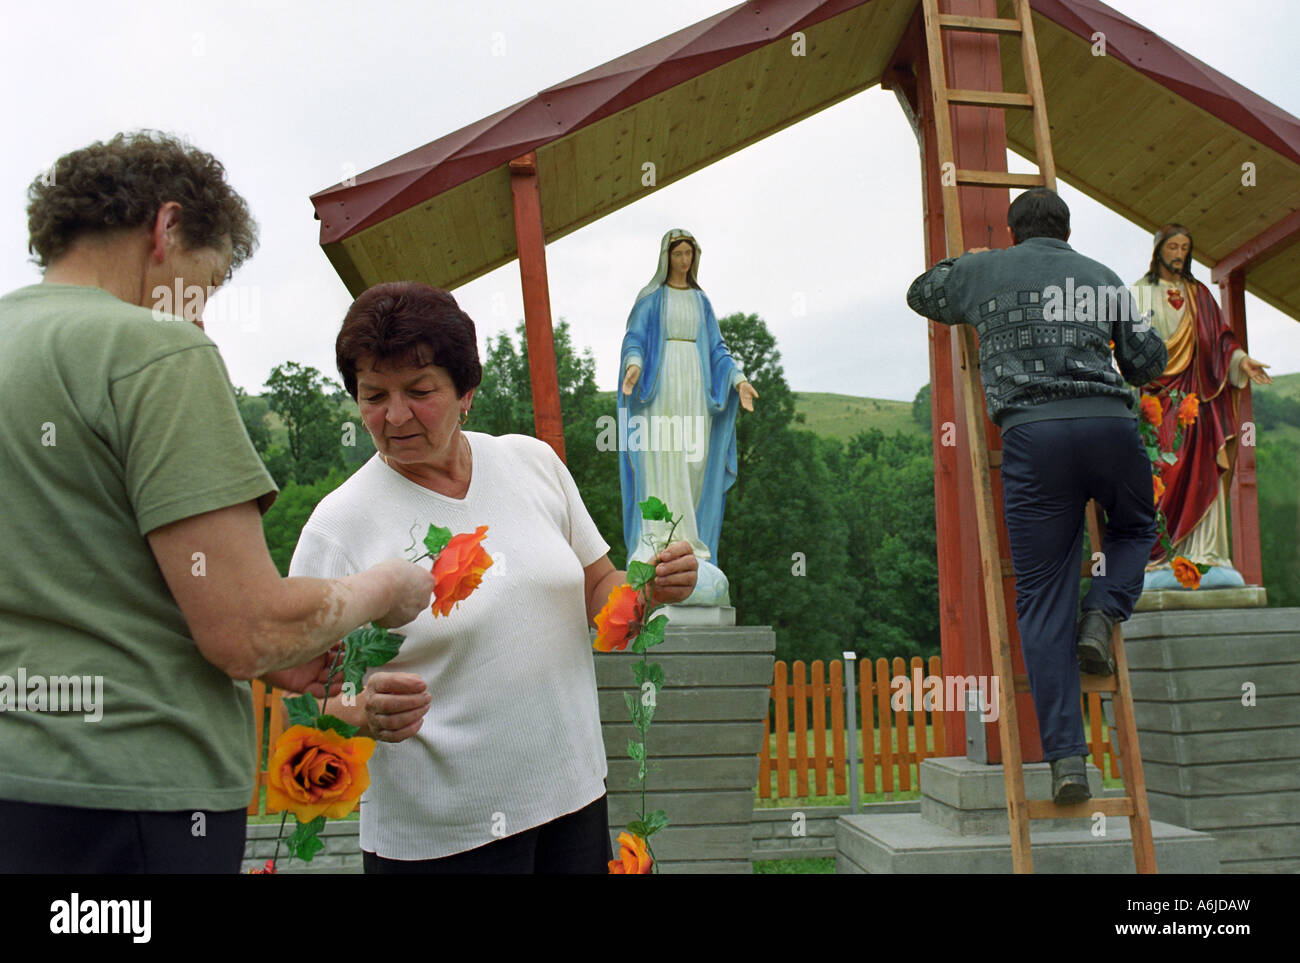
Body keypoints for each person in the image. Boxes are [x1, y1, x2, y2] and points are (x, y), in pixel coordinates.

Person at [0, 131, 434, 873]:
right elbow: (245, 626)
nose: (200, 311)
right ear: (165, 229)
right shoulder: (153, 349)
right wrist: (388, 586)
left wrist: (275, 658)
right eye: (212, 277)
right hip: (133, 800)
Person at [288, 281, 699, 873]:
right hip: (442, 838)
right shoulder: (338, 526)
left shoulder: (531, 464)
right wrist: (359, 711)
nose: (395, 415)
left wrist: (648, 589)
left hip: (573, 800)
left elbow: (597, 588)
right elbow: (303, 695)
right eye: (373, 394)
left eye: (419, 390)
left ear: (467, 392)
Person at [906, 188, 1169, 804]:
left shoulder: (984, 270)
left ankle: (1067, 763)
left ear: (1013, 230)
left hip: (1033, 439)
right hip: (1109, 428)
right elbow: (1146, 364)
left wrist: (965, 260)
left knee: (1042, 598)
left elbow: (922, 293)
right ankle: (1103, 612)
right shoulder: (1101, 276)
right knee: (1135, 529)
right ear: (1067, 229)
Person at [618, 228, 757, 606]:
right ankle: (656, 541)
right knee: (663, 459)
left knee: (693, 463)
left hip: (695, 386)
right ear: (667, 257)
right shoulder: (652, 299)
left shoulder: (701, 301)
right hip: (661, 389)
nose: (684, 261)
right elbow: (635, 337)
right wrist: (633, 365)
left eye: (688, 255)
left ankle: (688, 543)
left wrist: (739, 380)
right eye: (678, 254)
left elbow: (717, 349)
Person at [1129, 224, 1273, 589]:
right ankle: (1159, 558)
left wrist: (1242, 362)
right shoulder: (1140, 293)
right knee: (1162, 471)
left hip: (1198, 399)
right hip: (1158, 401)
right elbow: (1129, 345)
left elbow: (1223, 343)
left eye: (1184, 247)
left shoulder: (1200, 295)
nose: (1178, 254)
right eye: (1172, 247)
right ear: (1159, 249)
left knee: (1202, 469)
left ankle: (1206, 557)